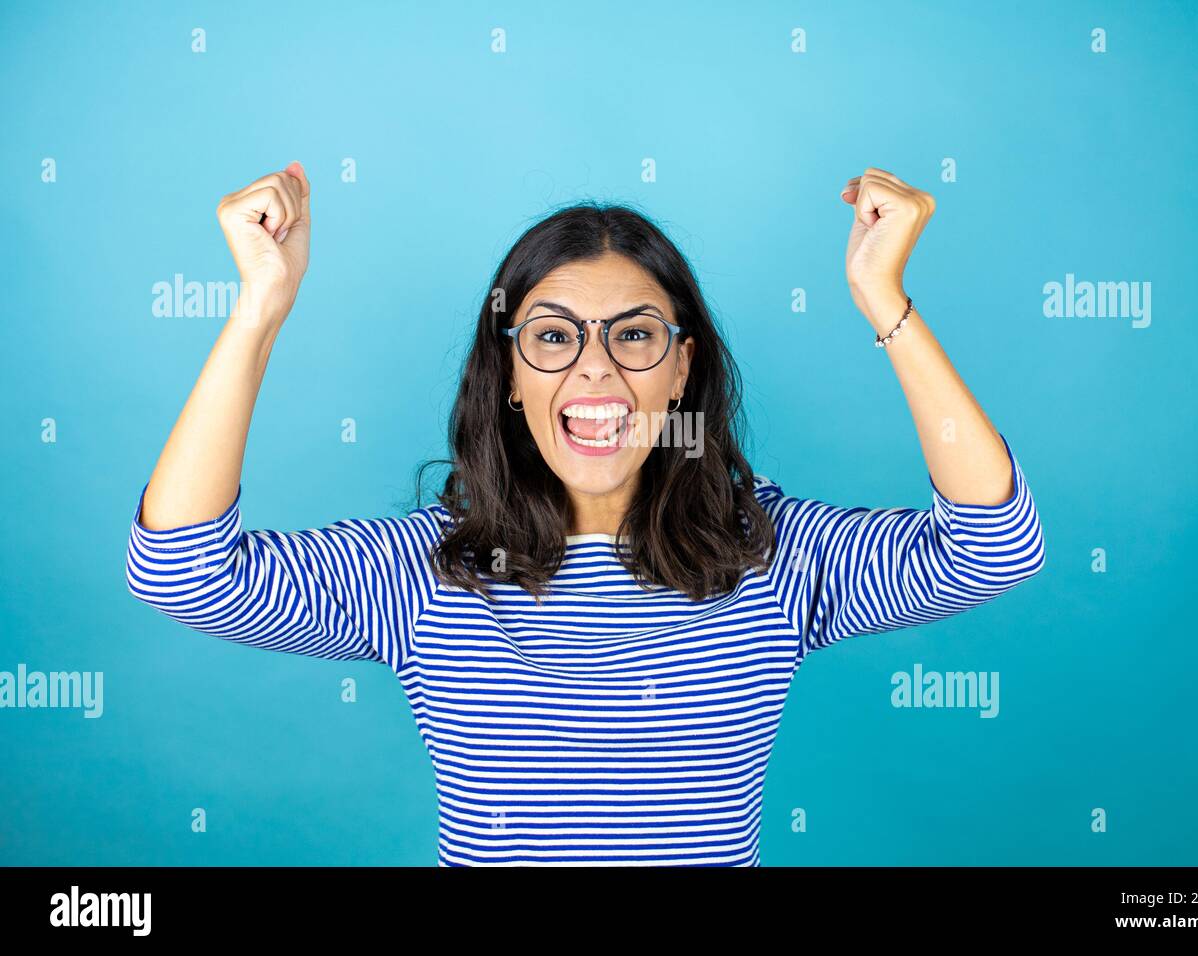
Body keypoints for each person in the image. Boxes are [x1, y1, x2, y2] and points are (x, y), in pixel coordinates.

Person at [125, 162, 1046, 865]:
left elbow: (994, 543)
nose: (596, 370)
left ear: (683, 368)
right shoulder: (423, 573)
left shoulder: (772, 554)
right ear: (514, 380)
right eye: (554, 337)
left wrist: (883, 298)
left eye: (636, 335)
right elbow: (180, 568)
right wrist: (258, 310)